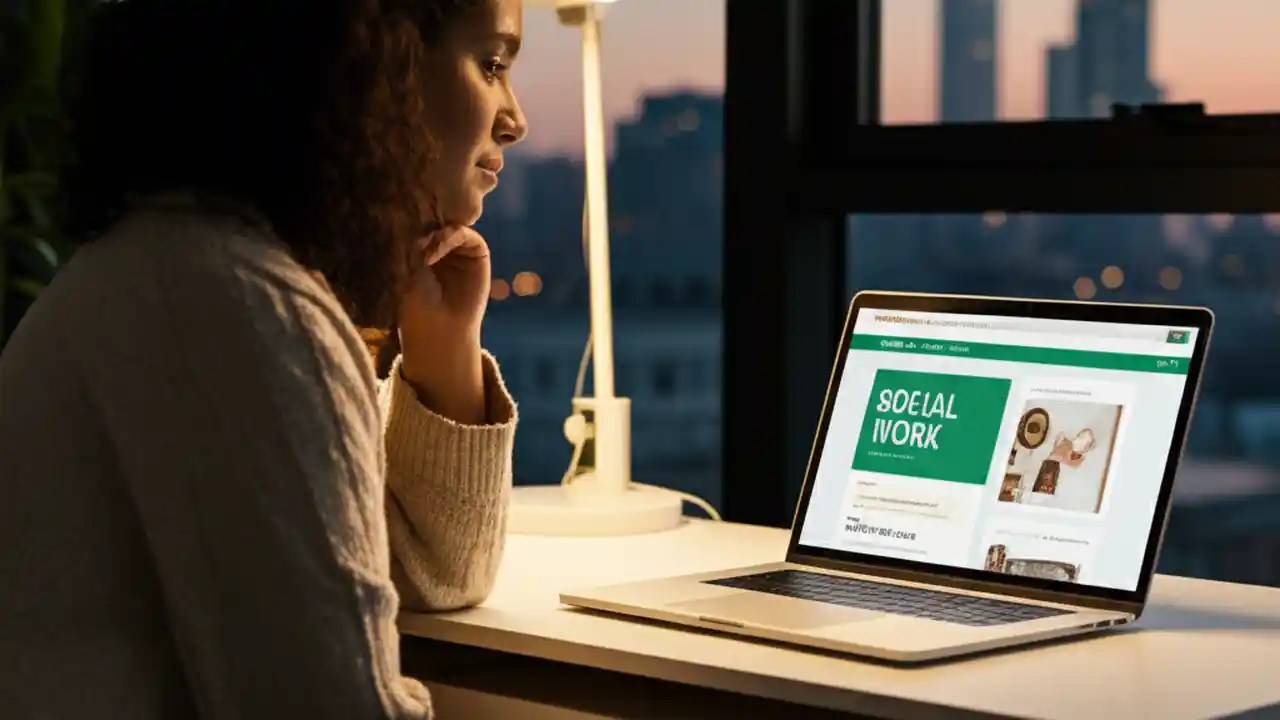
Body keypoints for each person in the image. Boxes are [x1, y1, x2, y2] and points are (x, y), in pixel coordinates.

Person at [0, 0, 528, 717]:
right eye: (492, 64)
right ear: (377, 57)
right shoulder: (243, 306)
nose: (515, 117)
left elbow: (435, 579)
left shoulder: (182, 267)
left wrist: (444, 353)